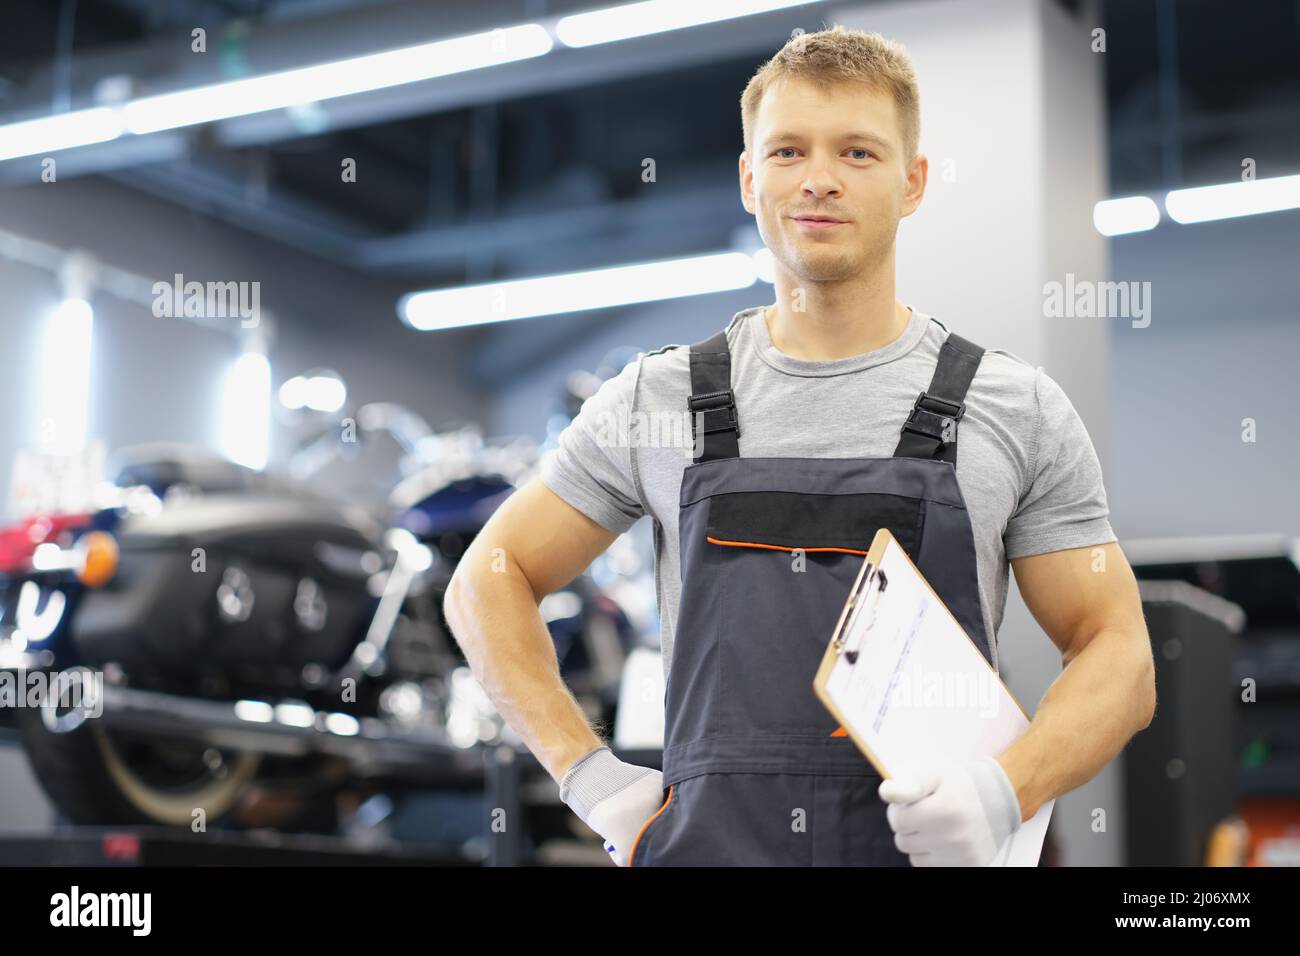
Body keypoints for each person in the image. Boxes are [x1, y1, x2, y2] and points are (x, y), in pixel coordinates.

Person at [443, 25, 1155, 867]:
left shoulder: (1014, 407)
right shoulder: (656, 400)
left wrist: (1006, 792)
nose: (819, 180)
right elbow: (487, 581)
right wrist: (589, 778)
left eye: (858, 152)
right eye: (787, 152)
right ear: (750, 178)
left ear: (914, 181)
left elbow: (1120, 654)